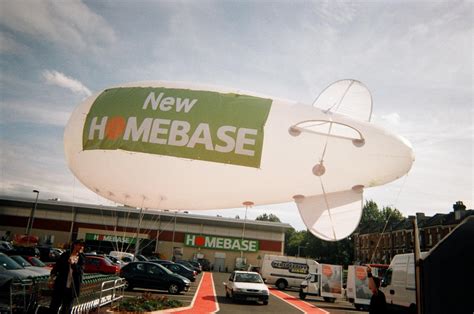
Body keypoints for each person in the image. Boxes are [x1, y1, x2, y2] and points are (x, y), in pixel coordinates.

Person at [49, 239, 85, 313]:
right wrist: (51, 278)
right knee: (54, 306)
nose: (82, 247)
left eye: (83, 246)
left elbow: (80, 271)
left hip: (72, 287)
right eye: (80, 245)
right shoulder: (65, 255)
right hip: (60, 285)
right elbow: (56, 267)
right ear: (75, 245)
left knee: (67, 308)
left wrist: (73, 264)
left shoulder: (81, 258)